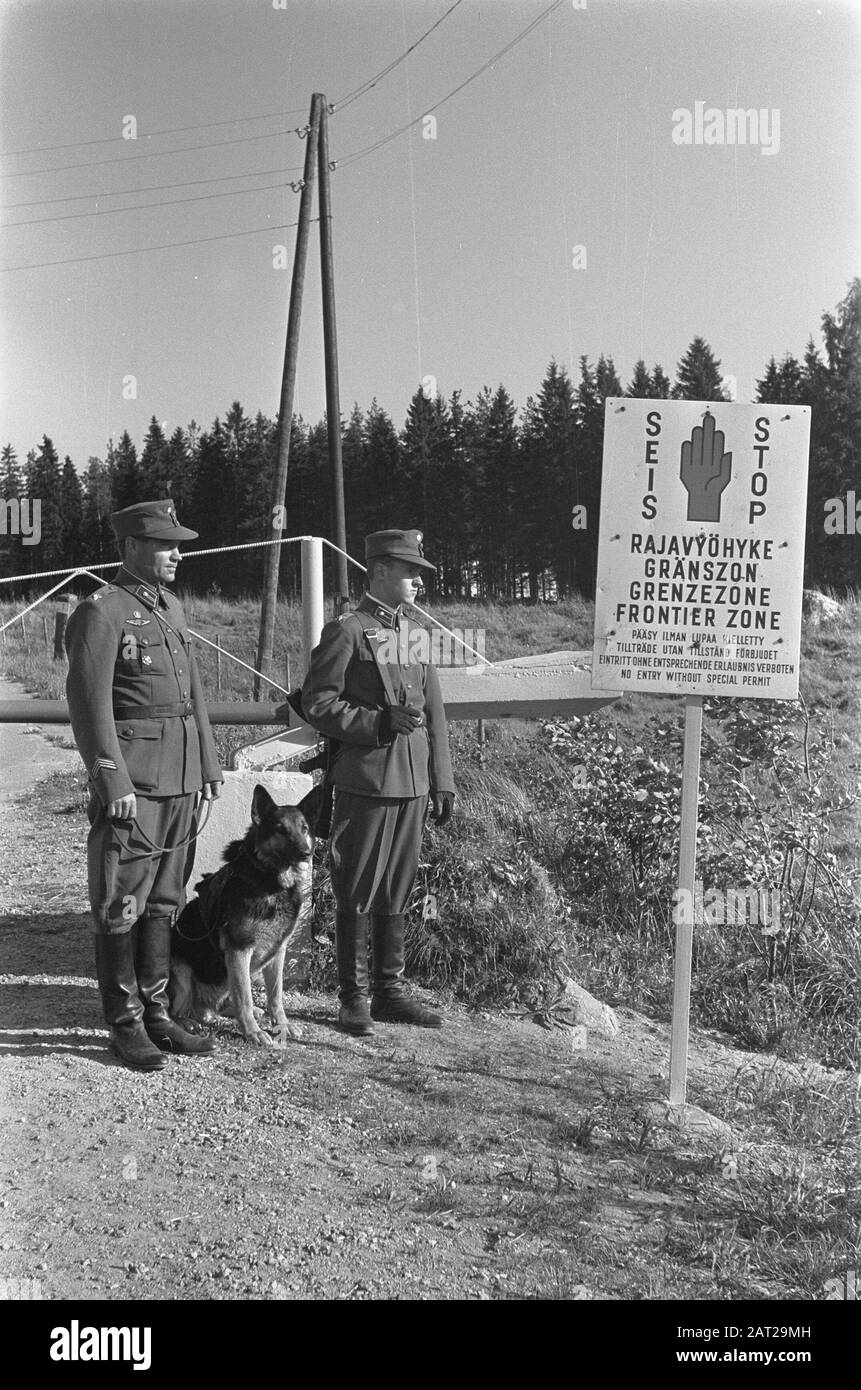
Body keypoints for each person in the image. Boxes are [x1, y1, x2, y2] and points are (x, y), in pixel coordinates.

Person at [65, 499, 222, 1072]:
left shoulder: (171, 609)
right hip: (136, 782)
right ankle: (124, 1023)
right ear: (131, 546)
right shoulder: (100, 612)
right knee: (120, 903)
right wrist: (111, 777)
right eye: (165, 544)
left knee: (163, 901)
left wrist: (207, 764)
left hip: (180, 781)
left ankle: (158, 1014)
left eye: (178, 543)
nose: (177, 553)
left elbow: (192, 697)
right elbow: (88, 703)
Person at [302, 528, 455, 1036]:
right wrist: (373, 723)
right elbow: (317, 704)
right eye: (409, 570)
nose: (417, 580)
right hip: (366, 780)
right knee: (358, 888)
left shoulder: (413, 631)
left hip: (411, 783)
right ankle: (353, 998)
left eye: (419, 571)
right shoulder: (347, 630)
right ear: (381, 570)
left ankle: (389, 992)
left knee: (397, 889)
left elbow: (434, 713)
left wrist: (442, 781)